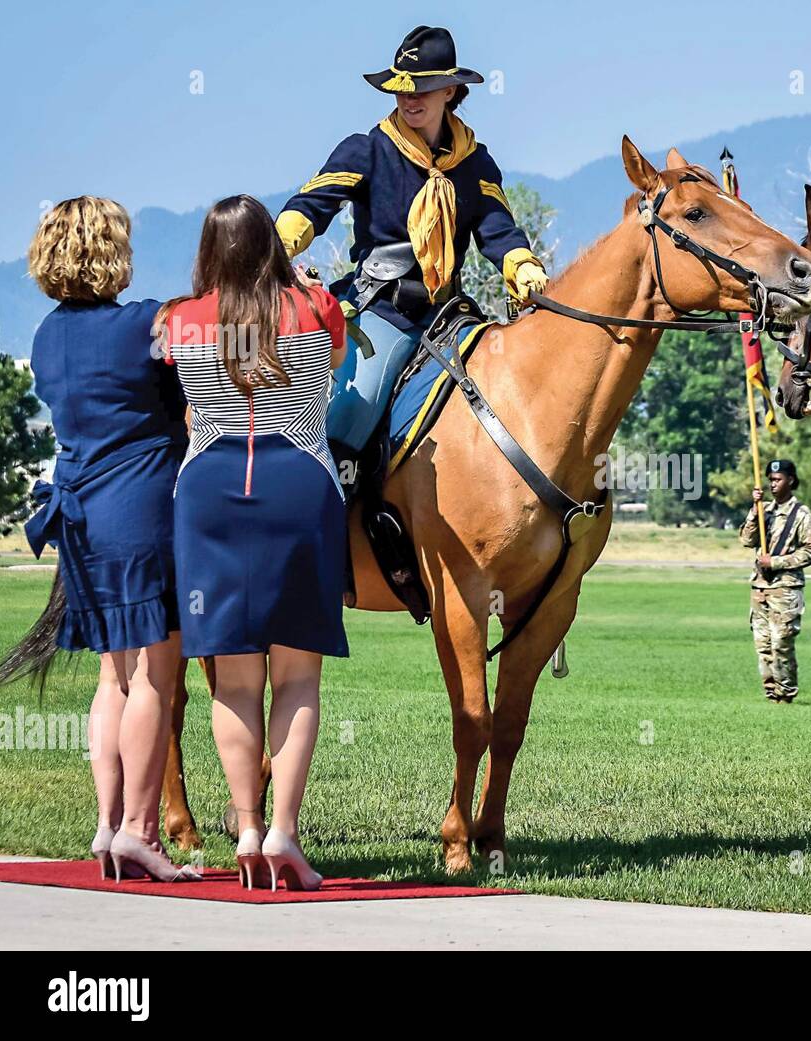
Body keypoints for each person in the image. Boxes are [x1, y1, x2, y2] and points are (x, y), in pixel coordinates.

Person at [161, 195, 349, 891]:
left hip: (208, 490)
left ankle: (244, 828)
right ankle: (284, 834)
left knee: (232, 684)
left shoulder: (180, 319)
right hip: (298, 482)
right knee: (297, 677)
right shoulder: (315, 308)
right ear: (272, 242)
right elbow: (333, 359)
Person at [274, 25, 549, 494]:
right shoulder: (366, 150)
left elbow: (498, 228)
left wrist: (522, 266)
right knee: (351, 410)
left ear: (450, 90)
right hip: (383, 312)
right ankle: (328, 519)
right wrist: (278, 248)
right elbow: (310, 207)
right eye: (401, 88)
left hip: (449, 316)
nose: (408, 99)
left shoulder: (476, 163)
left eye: (421, 89)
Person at [21, 197, 196, 882]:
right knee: (156, 671)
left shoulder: (43, 337)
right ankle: (139, 829)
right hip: (141, 508)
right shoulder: (143, 325)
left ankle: (107, 821)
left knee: (112, 676)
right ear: (111, 250)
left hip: (78, 517)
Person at [740, 460, 811, 703]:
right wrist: (754, 511)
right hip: (760, 587)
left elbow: (810, 551)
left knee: (781, 642)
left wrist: (775, 562)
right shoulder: (764, 510)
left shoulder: (801, 515)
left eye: (778, 479)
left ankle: (786, 693)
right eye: (770, 480)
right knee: (763, 645)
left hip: (785, 588)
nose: (772, 484)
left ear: (791, 481)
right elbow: (746, 539)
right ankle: (771, 693)